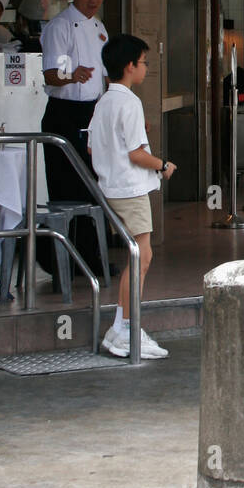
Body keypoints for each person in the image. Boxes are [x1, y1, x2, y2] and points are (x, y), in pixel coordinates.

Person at [87, 34, 175, 360]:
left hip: (111, 187)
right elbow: (137, 154)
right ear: (129, 66)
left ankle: (122, 326)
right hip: (130, 188)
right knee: (141, 257)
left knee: (137, 256)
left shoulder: (104, 102)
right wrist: (163, 165)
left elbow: (93, 146)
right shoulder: (130, 102)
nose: (146, 68)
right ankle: (125, 326)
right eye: (143, 62)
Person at [40, 0, 108, 271]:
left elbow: (105, 78)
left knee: (92, 185)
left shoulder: (98, 27)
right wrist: (72, 75)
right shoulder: (60, 26)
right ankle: (63, 261)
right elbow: (52, 74)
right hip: (65, 116)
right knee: (67, 188)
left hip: (91, 114)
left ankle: (91, 256)